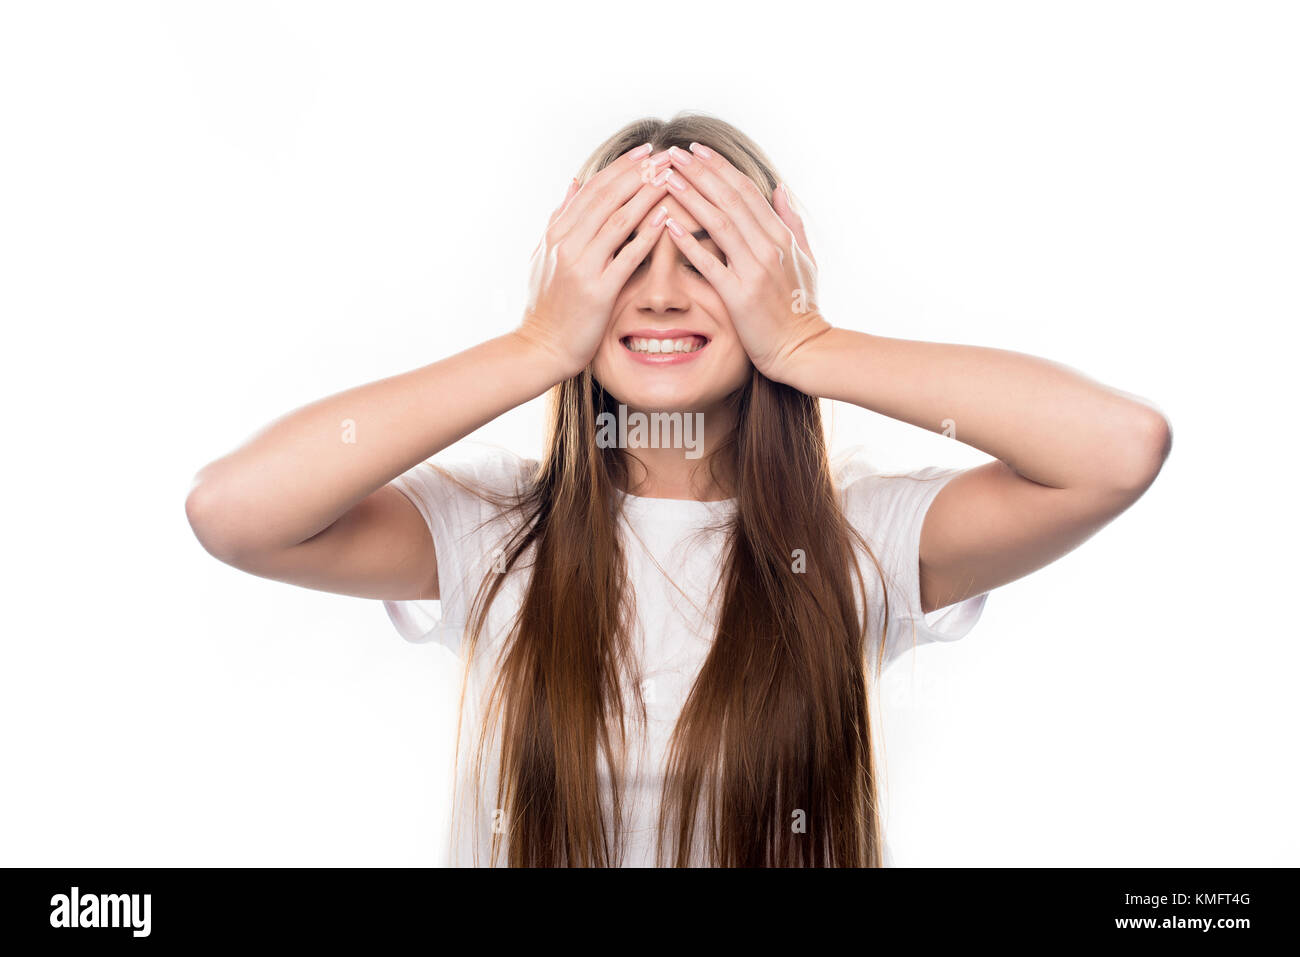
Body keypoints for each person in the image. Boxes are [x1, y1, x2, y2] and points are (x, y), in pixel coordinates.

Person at [185, 112, 1171, 867]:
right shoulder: (489, 534)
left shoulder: (860, 540)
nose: (661, 294)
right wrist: (532, 343)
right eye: (622, 260)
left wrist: (806, 340)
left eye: (709, 255)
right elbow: (235, 512)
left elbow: (1117, 448)